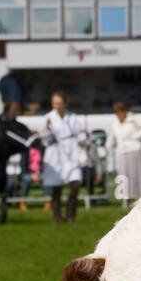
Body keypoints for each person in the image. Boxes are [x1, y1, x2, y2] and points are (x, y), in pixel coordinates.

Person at [41, 91, 86, 223]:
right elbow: (44, 140)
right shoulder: (48, 118)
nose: (57, 106)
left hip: (72, 155)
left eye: (60, 103)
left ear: (65, 103)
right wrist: (47, 129)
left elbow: (79, 135)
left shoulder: (72, 117)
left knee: (76, 183)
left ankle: (71, 215)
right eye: (55, 104)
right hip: (55, 155)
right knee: (56, 188)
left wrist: (85, 136)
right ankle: (57, 217)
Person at [106, 102, 141, 208]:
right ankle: (125, 199)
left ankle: (138, 198)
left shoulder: (133, 119)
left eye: (121, 111)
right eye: (117, 112)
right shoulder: (114, 123)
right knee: (123, 175)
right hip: (121, 151)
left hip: (134, 149)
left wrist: (137, 135)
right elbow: (111, 137)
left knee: (135, 175)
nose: (120, 114)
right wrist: (106, 148)